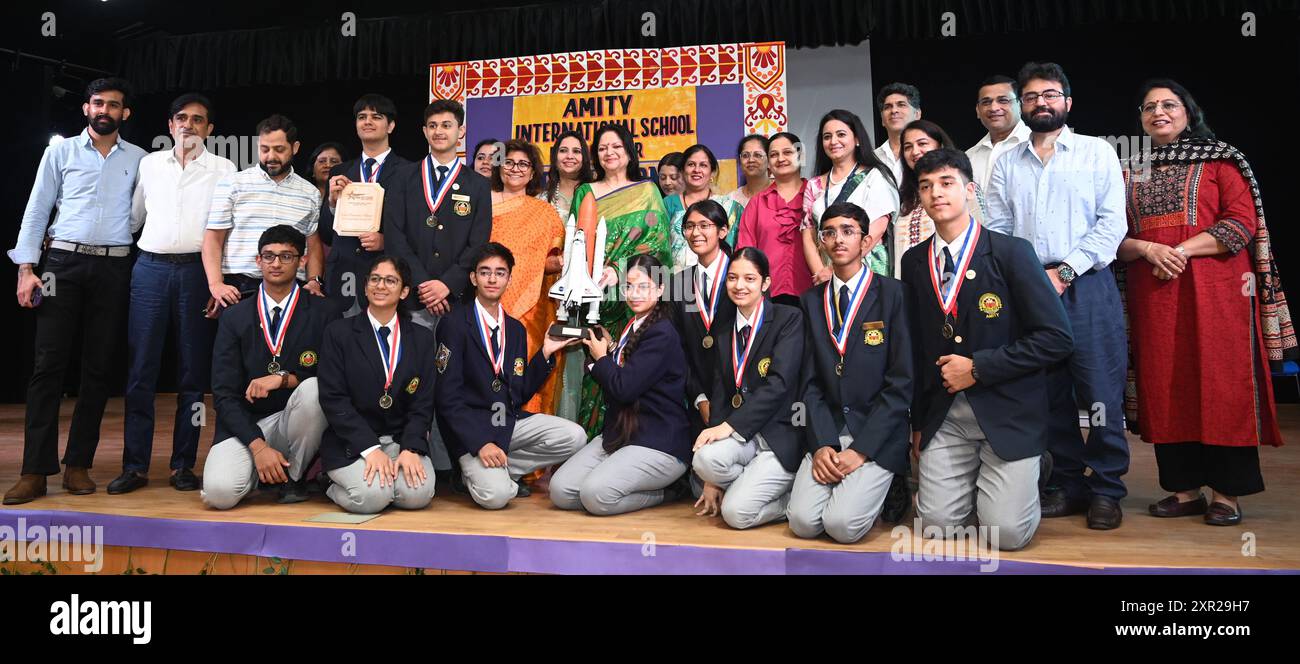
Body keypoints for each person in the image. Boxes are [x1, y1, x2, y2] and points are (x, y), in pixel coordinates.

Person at [1118, 79, 1288, 525]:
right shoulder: (1128, 169)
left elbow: (1242, 223)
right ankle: (1184, 489)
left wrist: (1180, 251)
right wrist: (1148, 250)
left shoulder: (1221, 160)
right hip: (1154, 293)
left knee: (1221, 382)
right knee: (1165, 382)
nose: (1159, 112)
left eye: (1169, 104)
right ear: (1140, 119)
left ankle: (1227, 493)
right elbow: (1110, 232)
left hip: (1218, 294)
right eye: (1149, 106)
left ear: (1188, 112)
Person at [902, 149, 1073, 551]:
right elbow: (914, 346)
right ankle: (980, 484)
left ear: (969, 189)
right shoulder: (912, 261)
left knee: (1007, 536)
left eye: (946, 183)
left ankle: (1034, 465)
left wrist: (979, 368)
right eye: (926, 186)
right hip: (946, 417)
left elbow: (1056, 338)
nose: (935, 193)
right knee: (935, 528)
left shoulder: (1012, 252)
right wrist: (917, 423)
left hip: (1007, 410)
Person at [985, 62, 1130, 530]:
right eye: (1030, 97)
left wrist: (1065, 270)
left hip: (1086, 285)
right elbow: (998, 229)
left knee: (1099, 389)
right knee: (1048, 393)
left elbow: (1113, 224)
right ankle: (1068, 482)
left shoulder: (1096, 153)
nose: (1040, 103)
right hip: (1031, 290)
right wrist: (1028, 277)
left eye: (1050, 95)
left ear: (1067, 102)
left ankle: (1107, 488)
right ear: (1021, 106)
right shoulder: (1008, 163)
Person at [4, 78, 147, 505]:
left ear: (126, 114)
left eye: (114, 105)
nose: (105, 110)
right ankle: (34, 470)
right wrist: (25, 269)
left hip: (116, 265)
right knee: (48, 366)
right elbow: (37, 207)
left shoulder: (140, 159)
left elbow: (140, 215)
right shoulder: (60, 150)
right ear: (86, 108)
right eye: (98, 103)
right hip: (61, 263)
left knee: (99, 368)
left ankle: (78, 465)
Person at [109, 92, 237, 496]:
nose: (188, 125)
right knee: (141, 370)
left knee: (192, 375)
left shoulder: (225, 168)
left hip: (199, 274)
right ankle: (135, 466)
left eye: (198, 120)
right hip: (149, 268)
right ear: (169, 125)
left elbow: (227, 229)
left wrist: (218, 280)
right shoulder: (149, 164)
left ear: (209, 129)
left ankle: (184, 464)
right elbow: (134, 218)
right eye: (181, 118)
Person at [787, 202, 912, 543]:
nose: (838, 239)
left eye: (848, 231)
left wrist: (861, 450)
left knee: (841, 526)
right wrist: (823, 444)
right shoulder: (810, 301)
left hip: (875, 432)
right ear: (821, 242)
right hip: (830, 427)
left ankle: (891, 484)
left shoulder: (893, 294)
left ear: (866, 241)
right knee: (802, 522)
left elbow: (901, 383)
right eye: (829, 232)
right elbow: (809, 384)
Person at [436, 243, 587, 509]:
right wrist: (480, 443)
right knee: (496, 497)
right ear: (473, 278)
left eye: (500, 272)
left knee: (574, 436)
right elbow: (447, 397)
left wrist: (545, 353)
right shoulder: (454, 324)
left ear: (508, 278)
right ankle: (478, 473)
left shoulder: (515, 330)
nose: (492, 279)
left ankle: (504, 470)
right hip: (473, 429)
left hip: (507, 423)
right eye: (485, 272)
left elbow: (519, 392)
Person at [201, 225, 341, 509]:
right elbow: (224, 394)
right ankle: (262, 468)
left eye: (286, 256)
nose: (276, 263)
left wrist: (284, 379)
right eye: (269, 256)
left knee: (314, 389)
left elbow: (335, 380)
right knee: (219, 494)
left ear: (302, 261)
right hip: (246, 425)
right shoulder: (235, 316)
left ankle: (294, 477)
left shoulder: (325, 312)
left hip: (296, 421)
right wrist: (258, 446)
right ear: (258, 261)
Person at [550, 253, 691, 515]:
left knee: (596, 496)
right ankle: (617, 481)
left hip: (656, 440)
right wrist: (610, 350)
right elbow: (627, 370)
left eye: (643, 286)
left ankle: (668, 492)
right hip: (621, 434)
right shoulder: (633, 326)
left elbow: (624, 388)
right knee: (561, 491)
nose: (634, 293)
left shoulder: (662, 332)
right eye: (629, 286)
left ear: (660, 289)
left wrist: (602, 357)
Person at [564, 123, 671, 435]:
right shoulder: (586, 192)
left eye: (616, 147)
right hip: (596, 300)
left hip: (634, 299)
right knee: (596, 372)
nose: (609, 153)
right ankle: (594, 442)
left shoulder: (648, 192)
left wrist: (620, 270)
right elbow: (576, 243)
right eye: (602, 148)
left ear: (629, 152)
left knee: (635, 372)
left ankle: (635, 444)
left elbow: (660, 247)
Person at [692, 247, 803, 530]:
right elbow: (720, 393)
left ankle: (791, 499)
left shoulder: (788, 319)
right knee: (704, 460)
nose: (739, 286)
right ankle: (749, 484)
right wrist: (711, 480)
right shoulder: (723, 329)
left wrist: (727, 427)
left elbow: (779, 384)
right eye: (732, 278)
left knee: (735, 514)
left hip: (778, 436)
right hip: (745, 438)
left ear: (765, 283)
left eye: (749, 279)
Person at [317, 255, 437, 514]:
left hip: (398, 439)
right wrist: (370, 449)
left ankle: (385, 482)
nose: (381, 286)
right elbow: (333, 399)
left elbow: (423, 404)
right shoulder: (339, 333)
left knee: (417, 496)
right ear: (365, 286)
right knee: (371, 499)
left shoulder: (422, 339)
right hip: (352, 442)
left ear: (404, 291)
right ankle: (328, 483)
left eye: (391, 281)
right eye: (375, 279)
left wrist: (410, 447)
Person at [381, 99, 492, 331]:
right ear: (424, 131)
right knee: (410, 366)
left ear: (460, 131)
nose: (438, 131)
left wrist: (446, 284)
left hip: (456, 299)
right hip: (411, 296)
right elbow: (394, 236)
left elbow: (478, 243)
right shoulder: (402, 177)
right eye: (432, 126)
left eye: (446, 125)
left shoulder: (478, 185)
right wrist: (423, 284)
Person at [204, 114, 325, 310]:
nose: (271, 157)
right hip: (239, 288)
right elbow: (213, 238)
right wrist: (216, 284)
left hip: (292, 288)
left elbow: (313, 243)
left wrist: (314, 280)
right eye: (264, 149)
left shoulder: (310, 192)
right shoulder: (232, 184)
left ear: (295, 148)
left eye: (279, 149)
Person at [488, 139, 566, 413]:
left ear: (533, 173)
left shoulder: (544, 212)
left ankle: (526, 432)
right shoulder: (482, 206)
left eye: (524, 164)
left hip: (529, 309)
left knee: (524, 364)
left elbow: (551, 262)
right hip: (485, 300)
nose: (515, 169)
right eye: (509, 162)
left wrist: (571, 261)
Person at [317, 95, 411, 317]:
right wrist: (331, 203)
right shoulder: (340, 172)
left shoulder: (409, 172)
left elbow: (415, 228)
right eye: (362, 117)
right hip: (343, 275)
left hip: (385, 275)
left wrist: (387, 241)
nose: (367, 121)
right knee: (343, 343)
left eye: (376, 117)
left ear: (391, 125)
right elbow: (326, 235)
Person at [802, 109, 898, 283]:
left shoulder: (874, 176)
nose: (834, 141)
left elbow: (877, 229)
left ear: (857, 139)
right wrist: (823, 274)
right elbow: (808, 236)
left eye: (841, 134)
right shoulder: (813, 185)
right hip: (827, 274)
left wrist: (835, 269)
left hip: (866, 267)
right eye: (827, 137)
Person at [669, 200, 736, 440]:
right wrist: (699, 397)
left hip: (739, 398)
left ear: (723, 231)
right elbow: (677, 348)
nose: (695, 233)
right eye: (689, 226)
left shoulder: (743, 278)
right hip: (699, 399)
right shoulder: (680, 284)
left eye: (704, 225)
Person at [894, 119, 986, 278]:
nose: (915, 151)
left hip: (965, 277)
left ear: (940, 145)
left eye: (922, 143)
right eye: (908, 147)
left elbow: (981, 239)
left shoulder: (962, 188)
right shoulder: (903, 195)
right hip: (913, 280)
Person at [736, 132, 810, 308]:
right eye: (774, 155)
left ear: (800, 155)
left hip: (813, 293)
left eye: (787, 152)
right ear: (768, 162)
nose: (780, 159)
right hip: (768, 297)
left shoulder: (816, 195)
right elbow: (746, 253)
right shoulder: (757, 203)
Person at [664, 144, 743, 270]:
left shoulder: (731, 207)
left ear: (712, 172)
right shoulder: (668, 204)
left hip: (719, 282)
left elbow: (739, 250)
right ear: (683, 171)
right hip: (677, 282)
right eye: (691, 164)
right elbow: (659, 246)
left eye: (703, 165)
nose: (696, 169)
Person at [966, 75, 1031, 190]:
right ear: (977, 110)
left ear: (1020, 105)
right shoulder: (969, 157)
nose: (994, 108)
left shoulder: (1036, 147)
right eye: (986, 102)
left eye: (1003, 100)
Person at [537, 130, 593, 221]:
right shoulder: (541, 201)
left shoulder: (597, 194)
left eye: (576, 151)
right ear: (555, 157)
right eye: (563, 150)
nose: (569, 156)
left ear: (585, 158)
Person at [874, 82, 922, 183]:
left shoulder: (929, 152)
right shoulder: (872, 158)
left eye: (901, 105)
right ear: (882, 120)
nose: (894, 110)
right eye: (887, 107)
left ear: (917, 114)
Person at [726, 134, 770, 209]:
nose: (751, 160)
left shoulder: (781, 194)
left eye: (757, 155)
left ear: (769, 160)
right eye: (745, 155)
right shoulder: (731, 201)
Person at [309, 143, 346, 207]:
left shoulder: (351, 196)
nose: (328, 165)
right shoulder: (302, 195)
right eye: (322, 161)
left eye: (334, 161)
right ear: (312, 170)